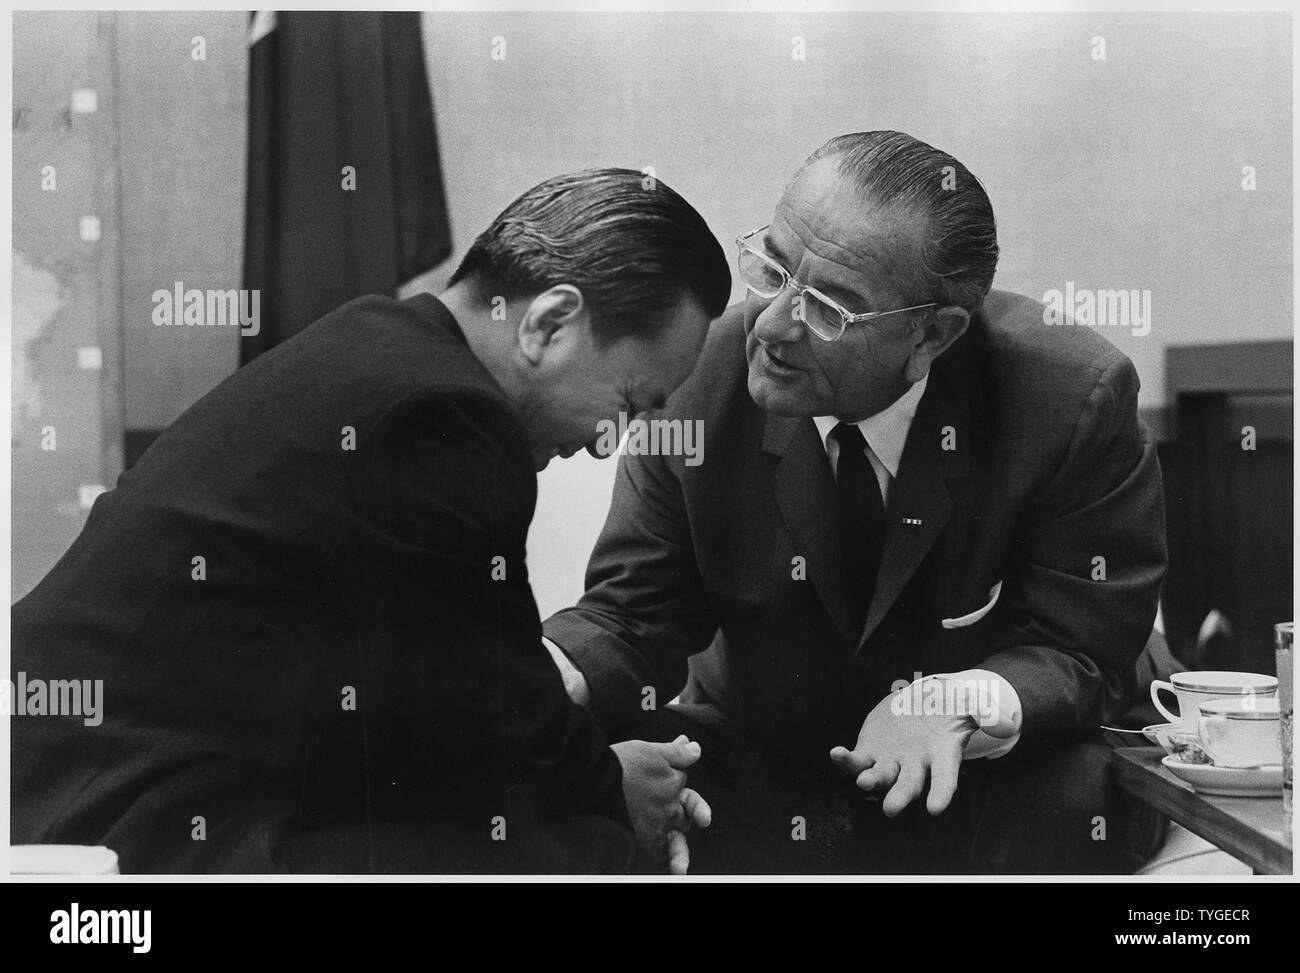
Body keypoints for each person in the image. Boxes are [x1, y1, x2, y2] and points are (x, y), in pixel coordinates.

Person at [11, 168, 729, 874]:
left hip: (74, 772)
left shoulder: (382, 342)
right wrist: (613, 785)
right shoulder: (449, 415)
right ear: (548, 324)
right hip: (121, 821)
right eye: (630, 402)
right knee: (573, 851)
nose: (613, 441)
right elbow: (500, 720)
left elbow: (434, 699)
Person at [544, 133, 1169, 873]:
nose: (772, 325)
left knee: (1074, 803)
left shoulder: (1069, 397)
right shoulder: (699, 378)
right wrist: (540, 675)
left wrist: (946, 704)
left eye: (830, 310)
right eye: (771, 269)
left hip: (982, 760)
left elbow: (1079, 646)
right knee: (614, 785)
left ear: (931, 336)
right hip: (768, 740)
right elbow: (631, 614)